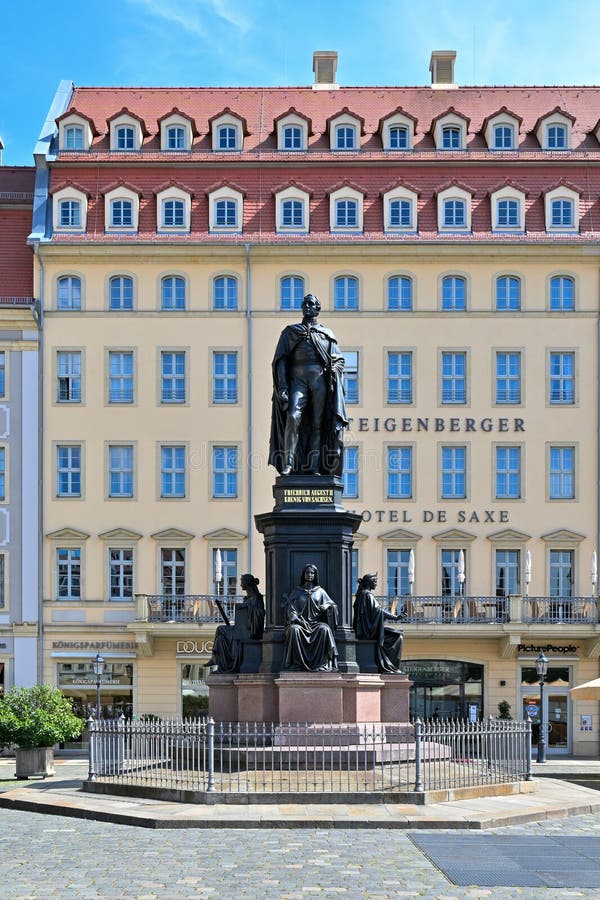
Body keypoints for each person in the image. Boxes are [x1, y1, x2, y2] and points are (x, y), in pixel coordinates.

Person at [269, 294, 348, 476]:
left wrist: (335, 367)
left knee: (318, 423)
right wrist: (282, 387)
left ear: (317, 308)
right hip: (297, 379)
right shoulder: (291, 332)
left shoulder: (326, 334)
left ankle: (314, 467)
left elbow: (338, 359)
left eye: (311, 304)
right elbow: (280, 361)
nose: (307, 306)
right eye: (304, 303)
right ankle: (288, 464)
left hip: (319, 379)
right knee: (293, 417)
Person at [283, 564, 339, 671]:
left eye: (312, 573)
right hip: (300, 624)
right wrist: (299, 621)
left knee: (324, 629)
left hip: (316, 624)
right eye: (307, 572)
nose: (309, 575)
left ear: (315, 575)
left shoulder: (320, 591)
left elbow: (333, 605)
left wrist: (327, 605)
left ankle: (321, 663)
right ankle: (296, 664)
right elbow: (291, 610)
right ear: (303, 575)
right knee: (294, 630)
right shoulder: (297, 591)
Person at [208, 573, 265, 674]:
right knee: (221, 638)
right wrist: (244, 606)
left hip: (248, 631)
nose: (240, 585)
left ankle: (215, 658)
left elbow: (259, 614)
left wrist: (246, 607)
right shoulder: (247, 598)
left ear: (247, 583)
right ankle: (223, 665)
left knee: (220, 629)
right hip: (241, 629)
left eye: (242, 582)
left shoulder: (256, 597)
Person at [352, 573, 404, 674]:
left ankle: (388, 665)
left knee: (396, 635)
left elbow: (377, 611)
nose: (376, 583)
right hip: (369, 632)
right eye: (374, 581)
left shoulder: (362, 594)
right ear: (368, 582)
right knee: (398, 637)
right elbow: (379, 611)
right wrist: (396, 617)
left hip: (368, 629)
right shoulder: (367, 594)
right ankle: (388, 666)